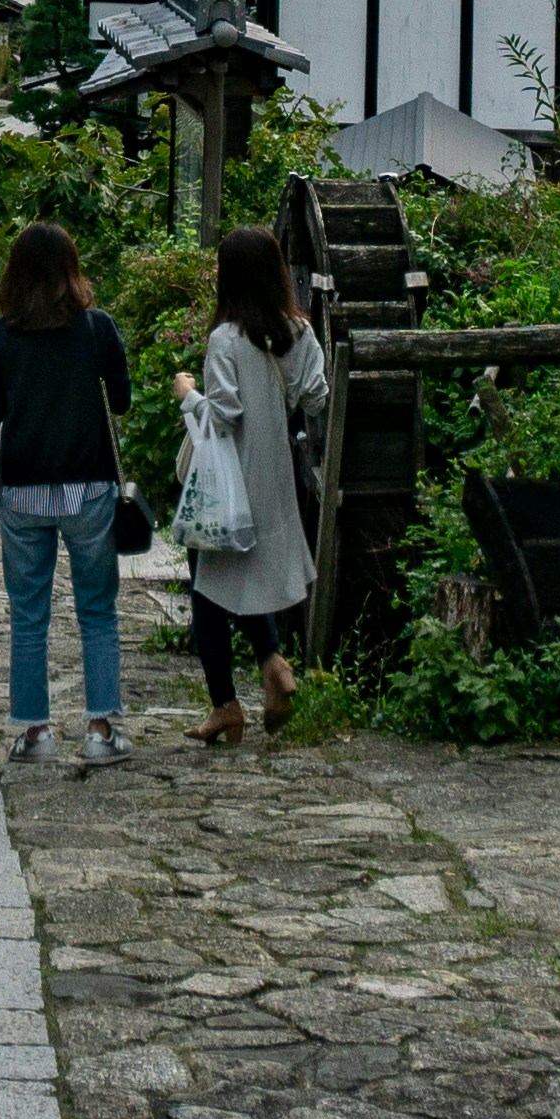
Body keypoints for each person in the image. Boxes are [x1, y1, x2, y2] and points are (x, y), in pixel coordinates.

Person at [0, 217, 131, 764]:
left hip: (23, 490)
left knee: (28, 615)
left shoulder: (1, 335)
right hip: (88, 487)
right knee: (96, 609)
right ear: (72, 269)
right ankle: (101, 728)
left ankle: (35, 732)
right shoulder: (98, 328)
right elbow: (122, 401)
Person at [181, 225, 329, 745]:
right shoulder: (301, 333)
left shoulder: (225, 339)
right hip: (275, 479)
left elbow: (223, 415)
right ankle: (273, 664)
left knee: (207, 587)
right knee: (247, 576)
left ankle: (225, 706)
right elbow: (316, 397)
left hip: (228, 482)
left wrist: (187, 394)